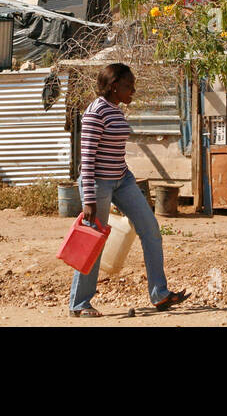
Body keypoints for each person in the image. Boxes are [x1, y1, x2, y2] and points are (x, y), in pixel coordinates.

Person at [68, 62, 188, 317]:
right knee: (93, 242)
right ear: (113, 86)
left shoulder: (116, 110)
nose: (133, 90)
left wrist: (126, 177)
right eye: (128, 85)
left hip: (122, 180)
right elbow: (87, 159)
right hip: (98, 184)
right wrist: (88, 199)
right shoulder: (95, 113)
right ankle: (79, 305)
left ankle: (160, 294)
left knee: (151, 229)